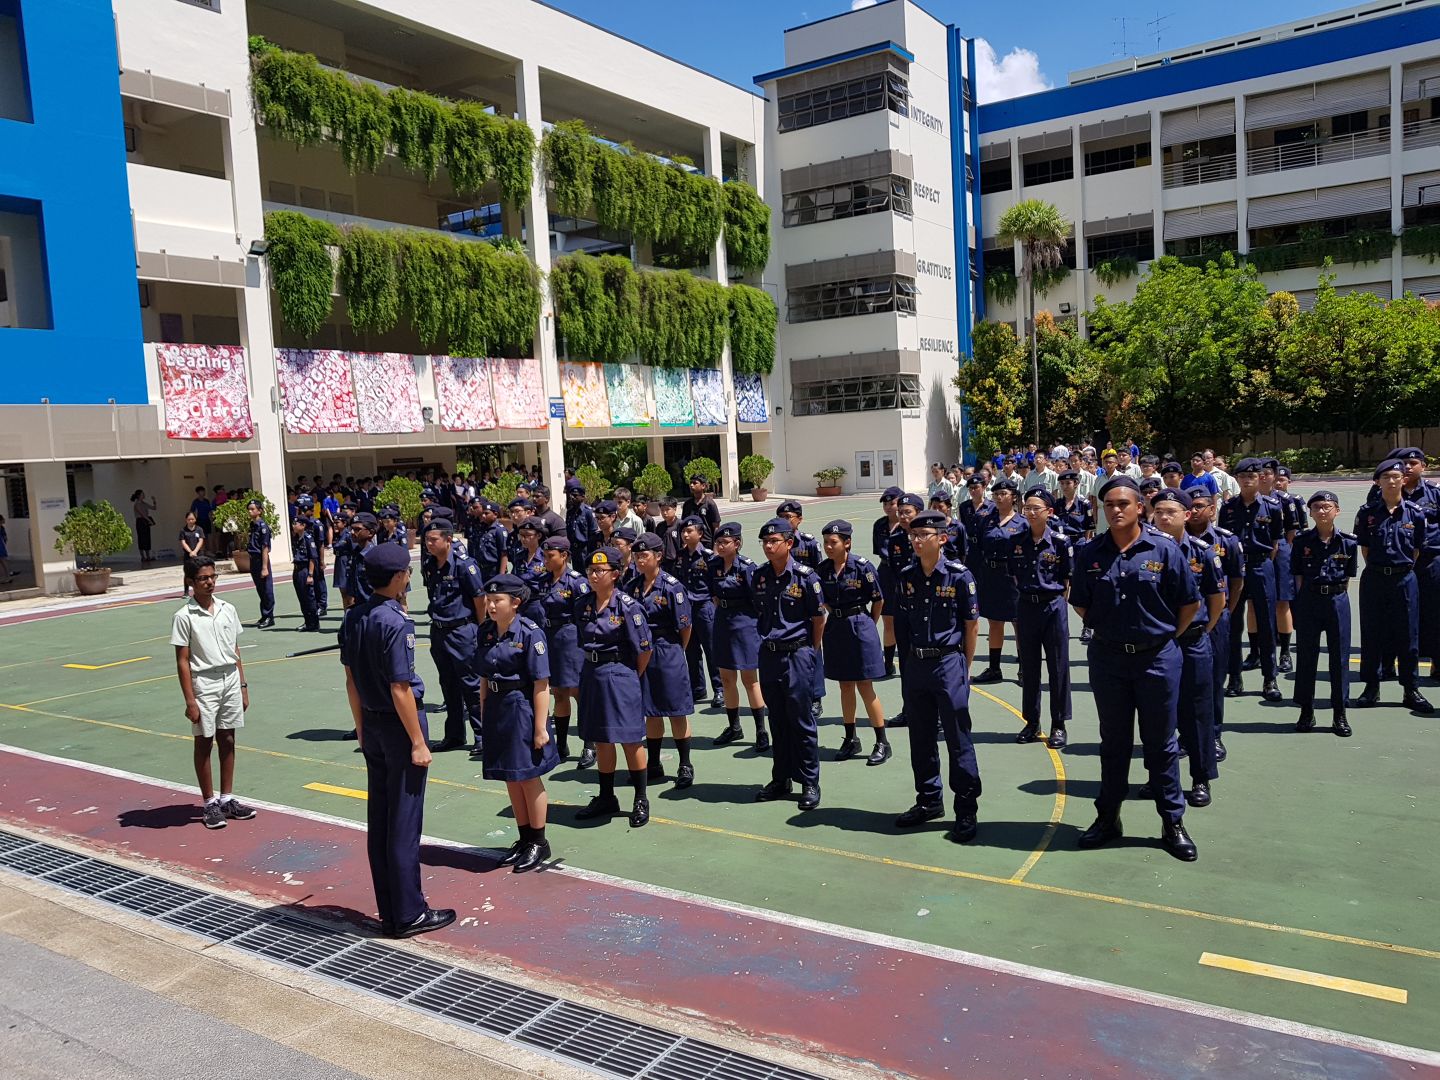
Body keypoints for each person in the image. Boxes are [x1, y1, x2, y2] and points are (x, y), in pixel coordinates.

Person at [1071, 476, 1199, 862]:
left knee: (1162, 744)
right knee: (1113, 744)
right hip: (1109, 660)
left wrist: (1157, 638)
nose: (1116, 510)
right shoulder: (1090, 553)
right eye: (1109, 504)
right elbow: (1081, 603)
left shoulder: (1164, 549)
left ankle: (1172, 822)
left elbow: (1188, 604)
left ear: (1140, 506)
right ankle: (1108, 818)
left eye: (1124, 503)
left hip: (1156, 658)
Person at [340, 543, 454, 938]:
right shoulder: (395, 622)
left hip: (371, 723)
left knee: (382, 820)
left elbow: (351, 679)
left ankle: (390, 908)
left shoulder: (354, 615)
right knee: (404, 823)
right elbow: (401, 687)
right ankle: (408, 913)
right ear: (397, 577)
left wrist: (359, 725)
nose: (409, 576)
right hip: (398, 725)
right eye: (406, 571)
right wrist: (419, 741)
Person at [892, 510, 982, 843]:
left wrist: (965, 667)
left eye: (923, 535)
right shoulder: (906, 575)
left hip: (948, 663)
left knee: (958, 739)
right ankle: (929, 801)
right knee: (921, 737)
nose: (915, 541)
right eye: (912, 536)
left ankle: (966, 808)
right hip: (916, 665)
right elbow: (902, 622)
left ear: (941, 539)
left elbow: (971, 626)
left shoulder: (959, 576)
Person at [476, 574, 557, 874]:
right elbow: (484, 677)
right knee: (511, 776)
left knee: (528, 776)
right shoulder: (486, 632)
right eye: (489, 600)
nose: (491, 605)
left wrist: (540, 727)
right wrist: (484, 713)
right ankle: (524, 839)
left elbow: (541, 684)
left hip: (521, 707)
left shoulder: (530, 633)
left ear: (515, 602)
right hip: (497, 708)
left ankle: (539, 841)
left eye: (498, 601)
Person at [1148, 489, 1223, 807]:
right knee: (1157, 715)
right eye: (1159, 511)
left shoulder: (1203, 551)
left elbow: (1217, 600)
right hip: (1157, 644)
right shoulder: (1144, 551)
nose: (1164, 517)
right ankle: (1159, 779)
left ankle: (1200, 778)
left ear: (1187, 515)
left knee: (1197, 714)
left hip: (1192, 642)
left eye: (1171, 511)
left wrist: (1201, 631)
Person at [171, 556, 257, 831]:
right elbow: (182, 660)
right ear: (191, 582)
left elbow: (236, 649)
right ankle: (209, 802)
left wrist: (243, 685)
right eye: (203, 578)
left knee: (228, 737)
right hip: (204, 683)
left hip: (229, 678)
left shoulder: (227, 609)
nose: (209, 582)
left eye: (212, 577)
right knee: (204, 741)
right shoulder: (184, 617)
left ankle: (227, 798)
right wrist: (189, 699)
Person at [573, 546, 654, 827]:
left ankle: (640, 798)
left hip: (620, 674)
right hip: (592, 674)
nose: (594, 576)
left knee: (631, 739)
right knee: (602, 738)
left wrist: (628, 676)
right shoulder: (582, 604)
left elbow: (644, 650)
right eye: (591, 571)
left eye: (600, 571)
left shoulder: (629, 607)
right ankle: (606, 796)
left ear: (615, 574)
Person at [752, 518, 826, 811]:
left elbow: (818, 619)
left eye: (774, 542)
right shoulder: (759, 576)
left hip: (798, 654)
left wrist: (809, 650)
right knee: (777, 720)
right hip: (769, 655)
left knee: (801, 720)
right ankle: (781, 778)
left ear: (789, 543)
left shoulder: (807, 577)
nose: (769, 547)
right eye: (765, 542)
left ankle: (809, 781)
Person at [1352, 459, 1433, 713]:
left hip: (1404, 578)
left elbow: (1417, 549)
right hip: (1375, 578)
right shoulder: (1367, 513)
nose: (1391, 481)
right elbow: (1365, 549)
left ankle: (1410, 689)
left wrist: (1399, 569)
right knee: (1373, 633)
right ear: (1378, 482)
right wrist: (1382, 569)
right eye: (1385, 477)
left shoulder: (1415, 513)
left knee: (1408, 634)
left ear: (1403, 480)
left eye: (1396, 476)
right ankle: (1371, 687)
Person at [818, 520, 890, 765]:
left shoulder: (862, 567)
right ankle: (850, 738)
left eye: (833, 542)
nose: (828, 546)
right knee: (845, 686)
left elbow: (877, 599)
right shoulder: (823, 569)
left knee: (864, 685)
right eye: (826, 542)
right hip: (836, 628)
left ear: (847, 543)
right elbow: (823, 599)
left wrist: (869, 621)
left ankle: (882, 741)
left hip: (860, 625)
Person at [628, 532, 696, 788]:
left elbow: (685, 627)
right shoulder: (633, 585)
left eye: (644, 556)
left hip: (667, 650)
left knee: (676, 711)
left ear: (658, 556)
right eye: (637, 556)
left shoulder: (672, 586)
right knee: (651, 711)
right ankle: (654, 763)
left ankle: (685, 764)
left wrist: (676, 651)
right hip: (642, 651)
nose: (639, 561)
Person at [1008, 490, 1072, 748]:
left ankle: (1058, 724)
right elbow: (1014, 575)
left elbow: (1067, 579)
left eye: (1036, 508)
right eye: (1027, 508)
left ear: (1049, 512)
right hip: (1026, 607)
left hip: (1053, 607)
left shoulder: (1060, 542)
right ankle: (1032, 722)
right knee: (1030, 667)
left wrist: (1056, 603)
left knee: (1058, 667)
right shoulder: (1016, 541)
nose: (1031, 512)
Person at [1291, 490, 1358, 737]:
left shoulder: (1348, 542)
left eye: (1327, 506)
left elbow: (1349, 575)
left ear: (1336, 511)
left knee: (1339, 659)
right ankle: (1306, 710)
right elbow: (1297, 573)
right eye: (1317, 507)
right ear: (1310, 512)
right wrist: (1300, 603)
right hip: (1309, 599)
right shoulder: (1301, 541)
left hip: (1337, 600)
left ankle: (1339, 713)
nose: (1322, 511)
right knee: (1307, 657)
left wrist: (1337, 596)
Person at [1186, 489, 1244, 763]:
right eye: (1191, 506)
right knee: (1181, 682)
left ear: (1212, 509)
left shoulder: (1226, 540)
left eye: (1200, 506)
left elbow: (1236, 581)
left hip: (1216, 621)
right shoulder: (1171, 541)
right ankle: (1184, 736)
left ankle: (1214, 735)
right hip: (1183, 623)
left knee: (1213, 680)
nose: (1195, 511)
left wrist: (1221, 614)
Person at [1220, 459, 1282, 703]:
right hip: (1235, 569)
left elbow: (1275, 544)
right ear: (1236, 479)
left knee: (1267, 624)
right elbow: (1223, 541)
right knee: (1233, 624)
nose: (1247, 480)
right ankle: (1234, 677)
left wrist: (1260, 561)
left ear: (1260, 478)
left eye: (1252, 476)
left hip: (1261, 565)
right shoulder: (1228, 508)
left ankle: (1270, 678)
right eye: (1243, 476)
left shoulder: (1272, 507)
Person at [424, 518, 485, 756]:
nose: (429, 543)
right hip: (439, 631)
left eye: (433, 539)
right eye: (427, 539)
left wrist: (480, 631)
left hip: (462, 631)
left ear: (448, 540)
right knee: (448, 685)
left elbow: (480, 599)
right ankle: (455, 735)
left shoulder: (464, 565)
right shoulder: (430, 565)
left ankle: (482, 736)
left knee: (471, 686)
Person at [708, 521, 769, 750]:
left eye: (725, 542)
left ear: (737, 543)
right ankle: (734, 727)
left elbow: (758, 600)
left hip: (745, 623)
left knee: (749, 679)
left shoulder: (747, 567)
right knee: (726, 678)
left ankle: (761, 730)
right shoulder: (713, 565)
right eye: (718, 543)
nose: (721, 547)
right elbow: (713, 594)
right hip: (723, 621)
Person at [536, 536, 589, 762]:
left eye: (550, 557)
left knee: (578, 692)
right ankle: (562, 745)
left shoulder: (576, 582)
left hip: (571, 639)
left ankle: (589, 744)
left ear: (564, 556)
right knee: (558, 692)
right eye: (545, 556)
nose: (545, 560)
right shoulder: (544, 581)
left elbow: (586, 616)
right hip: (551, 638)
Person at [972, 477, 1024, 684]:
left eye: (1004, 494)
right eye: (997, 494)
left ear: (1014, 497)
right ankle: (994, 668)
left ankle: (1024, 668)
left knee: (1018, 623)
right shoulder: (986, 520)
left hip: (1013, 576)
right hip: (991, 575)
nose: (1000, 498)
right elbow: (978, 549)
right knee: (994, 622)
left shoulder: (1022, 522)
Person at [675, 515, 723, 708]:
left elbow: (715, 583)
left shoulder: (709, 557)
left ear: (700, 534)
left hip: (704, 607)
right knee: (691, 651)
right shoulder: (680, 555)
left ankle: (719, 689)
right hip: (687, 609)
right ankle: (697, 688)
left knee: (711, 650)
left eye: (689, 531)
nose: (685, 535)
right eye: (683, 531)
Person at [873, 487, 903, 678]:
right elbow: (879, 551)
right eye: (885, 504)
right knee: (888, 620)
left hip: (906, 573)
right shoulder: (879, 525)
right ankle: (889, 662)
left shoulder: (909, 525)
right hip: (886, 573)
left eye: (891, 503)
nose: (888, 507)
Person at [245, 500, 275, 628]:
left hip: (261, 560)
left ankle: (269, 616)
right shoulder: (253, 525)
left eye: (252, 509)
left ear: (259, 510)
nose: (250, 511)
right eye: (249, 509)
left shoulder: (263, 526)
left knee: (266, 589)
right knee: (260, 589)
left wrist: (264, 567)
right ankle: (264, 615)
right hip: (254, 560)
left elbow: (265, 548)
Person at [289, 515, 321, 632]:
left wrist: (310, 575)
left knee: (309, 598)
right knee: (302, 598)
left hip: (305, 570)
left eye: (295, 524)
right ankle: (307, 622)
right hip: (297, 570)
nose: (293, 526)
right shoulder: (297, 538)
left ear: (303, 526)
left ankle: (314, 623)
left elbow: (312, 558)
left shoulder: (308, 538)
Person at [565, 479, 599, 568]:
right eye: (571, 495)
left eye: (575, 495)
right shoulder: (570, 512)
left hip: (585, 550)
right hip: (574, 550)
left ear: (583, 497)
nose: (572, 497)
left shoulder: (588, 512)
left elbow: (593, 532)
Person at [179, 511, 206, 598]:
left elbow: (201, 541)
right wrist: (190, 552)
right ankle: (186, 592)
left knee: (200, 572)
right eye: (189, 519)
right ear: (186, 520)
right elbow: (183, 542)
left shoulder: (199, 529)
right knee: (187, 573)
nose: (191, 521)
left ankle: (201, 590)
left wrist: (195, 551)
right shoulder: (183, 531)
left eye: (192, 519)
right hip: (188, 555)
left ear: (195, 519)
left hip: (198, 554)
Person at [132, 489, 158, 563]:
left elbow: (154, 508)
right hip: (140, 521)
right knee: (141, 539)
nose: (144, 495)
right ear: (139, 495)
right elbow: (142, 514)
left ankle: (148, 556)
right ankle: (143, 556)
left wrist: (154, 501)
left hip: (145, 521)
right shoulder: (137, 504)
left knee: (147, 538)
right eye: (142, 494)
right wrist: (149, 521)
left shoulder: (144, 503)